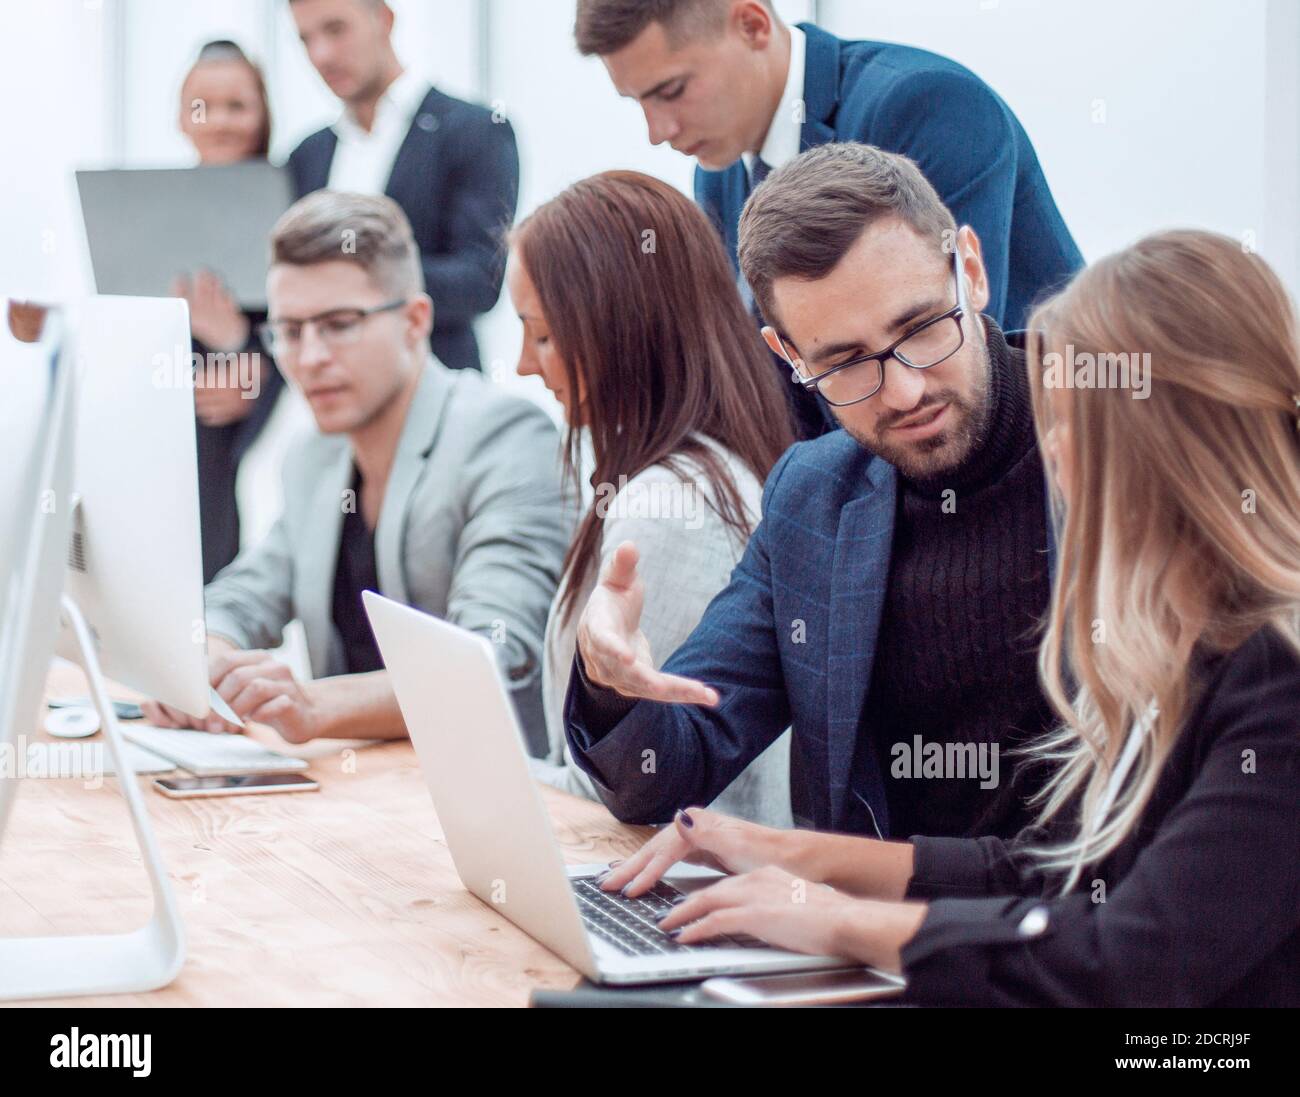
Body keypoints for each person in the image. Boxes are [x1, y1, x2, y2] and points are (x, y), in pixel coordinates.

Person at [597, 229, 1300, 1008]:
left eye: (1074, 426)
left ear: (1176, 446)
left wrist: (844, 923)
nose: (1055, 452)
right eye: (846, 360)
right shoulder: (1193, 637)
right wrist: (803, 858)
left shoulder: (1276, 672)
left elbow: (1129, 958)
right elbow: (1075, 869)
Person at [566, 143, 1058, 842]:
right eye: (846, 363)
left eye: (919, 329)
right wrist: (609, 680)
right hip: (861, 940)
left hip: (1081, 933)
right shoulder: (815, 496)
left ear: (970, 271)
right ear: (790, 356)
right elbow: (672, 766)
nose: (905, 389)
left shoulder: (1111, 443)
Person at [142, 192, 569, 752]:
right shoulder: (314, 455)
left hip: (488, 800)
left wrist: (313, 706)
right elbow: (248, 595)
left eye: (339, 324)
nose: (309, 357)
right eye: (290, 332)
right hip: (357, 798)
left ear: (416, 321)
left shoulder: (505, 435)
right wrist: (208, 660)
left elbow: (490, 657)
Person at [575, 0, 1082, 438]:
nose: (657, 131)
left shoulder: (925, 105)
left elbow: (956, 359)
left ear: (752, 24)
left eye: (672, 90)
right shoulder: (720, 175)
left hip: (1042, 474)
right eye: (638, 101)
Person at [507, 170, 796, 826]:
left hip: (681, 877)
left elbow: (628, 791)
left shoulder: (671, 507)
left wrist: (469, 768)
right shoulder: (694, 473)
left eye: (543, 335)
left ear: (623, 329)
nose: (526, 363)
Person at [286, 0, 519, 373]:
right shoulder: (306, 156)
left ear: (384, 19)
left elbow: (478, 281)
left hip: (436, 384)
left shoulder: (473, 131)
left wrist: (354, 280)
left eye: (335, 30)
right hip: (322, 392)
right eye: (305, 39)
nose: (322, 54)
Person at [173, 39, 286, 581]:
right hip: (173, 423)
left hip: (245, 442)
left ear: (263, 115)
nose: (217, 121)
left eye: (236, 106)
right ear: (180, 118)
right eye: (201, 106)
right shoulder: (146, 216)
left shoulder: (292, 208)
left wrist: (247, 349)